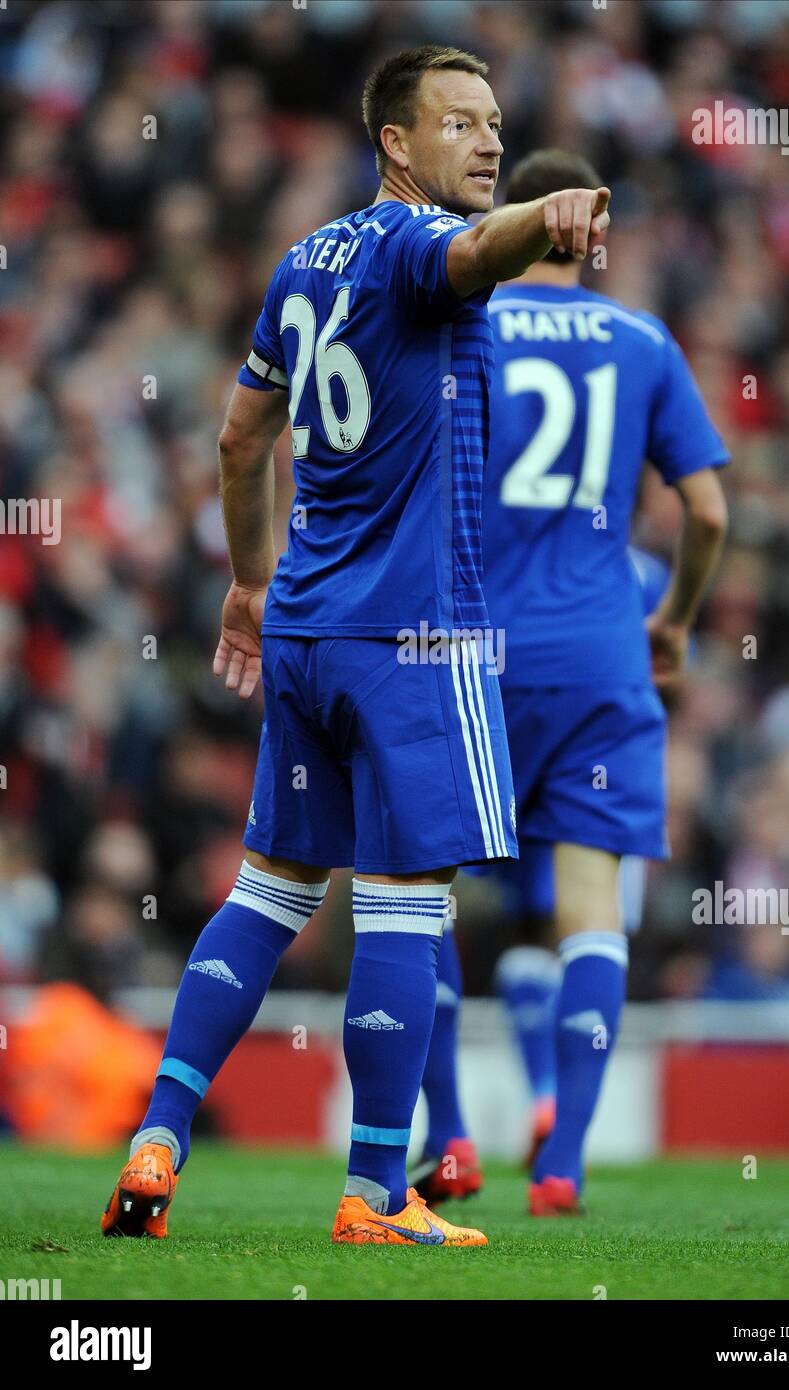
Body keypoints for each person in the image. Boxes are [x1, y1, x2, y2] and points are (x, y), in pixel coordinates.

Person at [101, 54, 610, 1247]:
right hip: (414, 637)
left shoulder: (302, 260)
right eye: (457, 124)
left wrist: (245, 584)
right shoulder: (411, 248)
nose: (486, 143)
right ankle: (379, 1188)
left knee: (270, 892)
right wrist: (556, 211)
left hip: (305, 629)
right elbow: (475, 257)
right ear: (394, 141)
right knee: (405, 903)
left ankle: (161, 1132)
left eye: (496, 124)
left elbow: (239, 440)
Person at [414, 149, 727, 1216]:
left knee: (418, 899)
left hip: (467, 651)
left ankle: (449, 1135)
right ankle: (563, 1162)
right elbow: (712, 511)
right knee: (593, 913)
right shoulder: (642, 341)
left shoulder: (463, 326)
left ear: (511, 222)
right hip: (600, 652)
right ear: (591, 232)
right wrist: (673, 622)